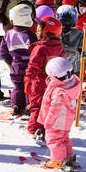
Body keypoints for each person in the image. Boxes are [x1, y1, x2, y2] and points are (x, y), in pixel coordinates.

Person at [25, 16, 64, 144]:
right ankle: (49, 128)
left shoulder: (40, 48)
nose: (36, 31)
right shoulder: (59, 47)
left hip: (39, 82)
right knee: (51, 106)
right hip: (54, 83)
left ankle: (34, 128)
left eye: (39, 29)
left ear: (47, 32)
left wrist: (28, 79)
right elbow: (63, 63)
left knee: (37, 105)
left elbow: (33, 65)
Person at [38, 56, 82, 170]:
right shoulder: (71, 83)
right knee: (64, 137)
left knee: (54, 140)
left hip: (57, 121)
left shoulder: (59, 92)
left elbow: (54, 109)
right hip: (66, 119)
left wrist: (48, 122)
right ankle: (68, 157)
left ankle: (58, 161)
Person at [0, 2, 35, 117]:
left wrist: (10, 62)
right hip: (30, 65)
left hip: (16, 64)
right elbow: (37, 52)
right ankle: (30, 107)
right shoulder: (31, 36)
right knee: (30, 86)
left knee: (18, 87)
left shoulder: (8, 34)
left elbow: (3, 51)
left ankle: (16, 106)